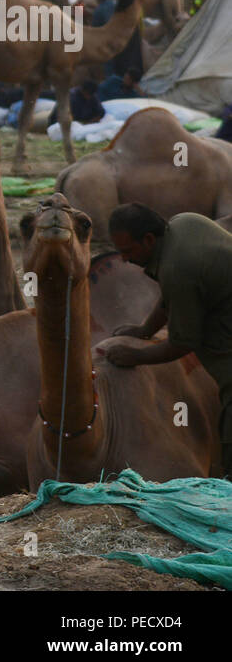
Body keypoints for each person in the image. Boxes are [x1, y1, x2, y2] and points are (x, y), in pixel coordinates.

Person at [99, 204, 232, 476]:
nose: (124, 259)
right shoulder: (184, 221)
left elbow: (183, 343)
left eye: (128, 251)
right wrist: (145, 329)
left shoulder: (179, 268)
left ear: (148, 239)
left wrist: (135, 356)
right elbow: (172, 294)